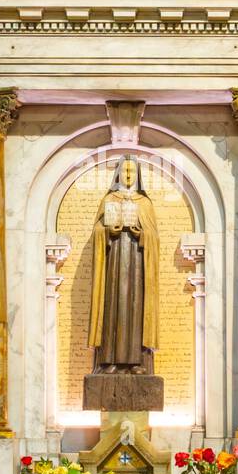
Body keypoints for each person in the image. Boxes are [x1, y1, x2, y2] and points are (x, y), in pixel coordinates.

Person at [88, 156, 159, 372]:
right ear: (118, 174)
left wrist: (143, 234)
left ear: (137, 175)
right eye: (125, 171)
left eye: (132, 171)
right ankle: (109, 360)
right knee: (112, 306)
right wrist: (108, 231)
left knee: (136, 308)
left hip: (137, 263)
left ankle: (136, 361)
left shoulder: (144, 203)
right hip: (113, 263)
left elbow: (154, 237)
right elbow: (97, 232)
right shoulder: (109, 200)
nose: (128, 175)